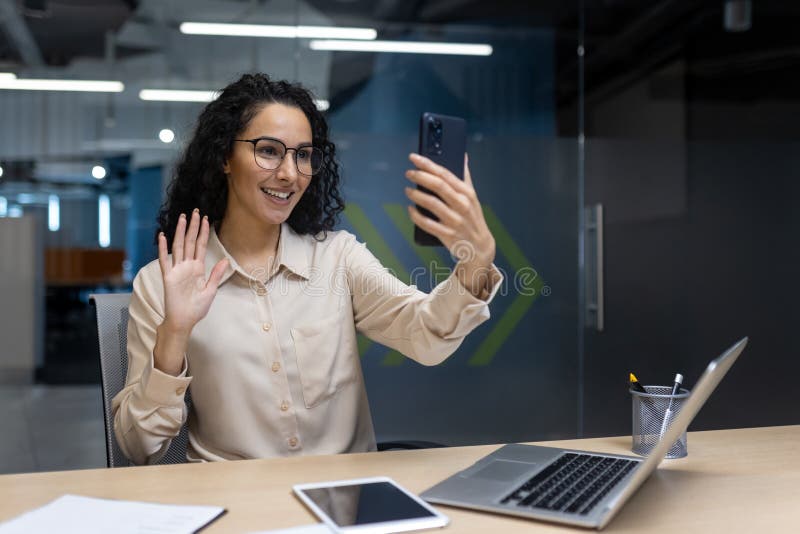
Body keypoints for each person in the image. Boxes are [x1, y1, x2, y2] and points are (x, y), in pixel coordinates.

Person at [112, 73, 502, 465]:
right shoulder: (163, 283)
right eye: (268, 151)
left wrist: (477, 259)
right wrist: (174, 335)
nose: (289, 173)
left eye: (303, 155)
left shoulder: (338, 258)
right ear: (224, 157)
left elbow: (427, 337)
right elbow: (139, 447)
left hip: (343, 497)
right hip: (238, 504)